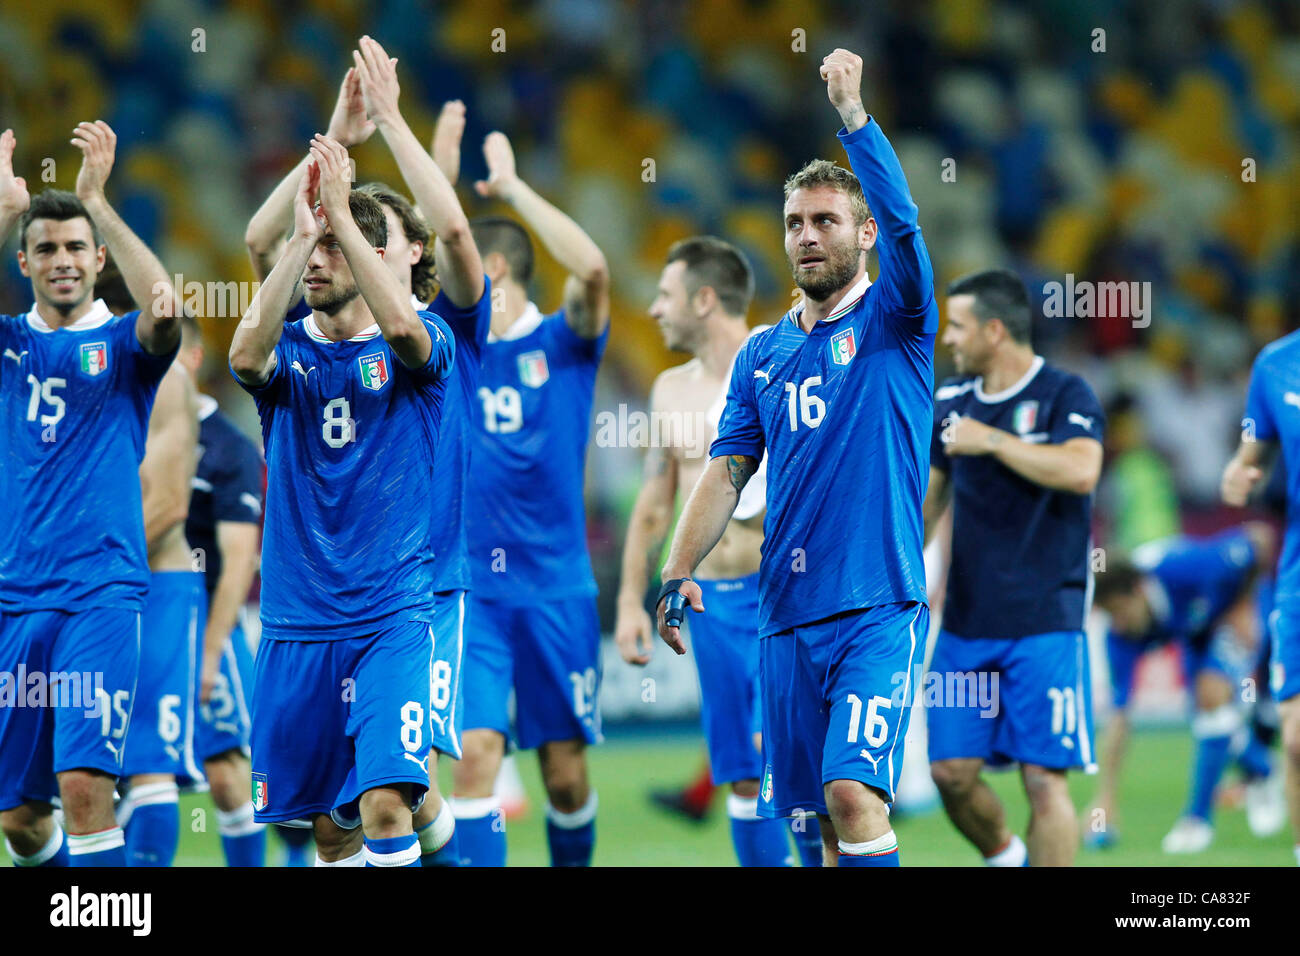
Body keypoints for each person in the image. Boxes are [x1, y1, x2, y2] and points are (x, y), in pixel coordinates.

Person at [657, 49, 936, 867]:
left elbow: (909, 227)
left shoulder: (897, 321)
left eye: (825, 221)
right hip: (784, 612)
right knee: (812, 824)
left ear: (864, 234)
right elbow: (727, 471)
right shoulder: (761, 354)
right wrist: (676, 569)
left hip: (876, 603)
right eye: (794, 223)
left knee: (852, 794)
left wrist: (854, 118)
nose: (807, 236)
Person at [229, 133, 455, 868]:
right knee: (331, 828)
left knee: (385, 802)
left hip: (391, 614)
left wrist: (340, 220)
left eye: (335, 246)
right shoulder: (287, 349)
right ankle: (445, 841)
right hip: (298, 619)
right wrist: (303, 233)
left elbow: (403, 328)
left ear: (370, 255)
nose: (320, 260)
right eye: (316, 247)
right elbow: (243, 358)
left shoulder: (423, 342)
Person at [0, 122, 181, 867]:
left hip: (99, 594)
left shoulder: (125, 346)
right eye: (45, 248)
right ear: (24, 262)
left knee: (83, 786)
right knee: (19, 819)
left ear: (98, 258)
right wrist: (5, 211)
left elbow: (166, 308)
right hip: (15, 598)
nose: (63, 260)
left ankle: (101, 917)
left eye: (77, 247)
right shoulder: (9, 344)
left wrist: (98, 203)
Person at [616, 235, 816, 866]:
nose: (654, 309)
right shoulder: (668, 390)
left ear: (704, 299)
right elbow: (654, 505)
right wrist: (630, 600)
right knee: (741, 775)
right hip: (715, 604)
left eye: (665, 295)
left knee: (791, 761)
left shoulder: (786, 361)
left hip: (786, 596)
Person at [453, 128, 611, 867]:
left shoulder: (561, 341)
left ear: (491, 270)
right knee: (474, 760)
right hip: (473, 593)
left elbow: (593, 268)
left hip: (555, 588)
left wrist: (514, 191)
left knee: (564, 775)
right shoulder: (448, 352)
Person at [922, 269, 1105, 867]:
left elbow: (1081, 471)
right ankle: (1007, 857)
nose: (949, 338)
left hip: (1045, 622)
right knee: (950, 773)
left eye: (958, 326)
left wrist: (994, 442)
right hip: (966, 625)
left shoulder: (1065, 394)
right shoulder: (951, 401)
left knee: (1044, 781)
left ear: (995, 330)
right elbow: (929, 500)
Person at [1089, 526, 1283, 853]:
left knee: (1211, 696)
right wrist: (1105, 797)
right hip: (1197, 632)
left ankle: (1197, 821)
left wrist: (1243, 605)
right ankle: (1262, 769)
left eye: (1119, 611)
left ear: (1138, 589)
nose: (1118, 623)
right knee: (1210, 718)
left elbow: (1259, 539)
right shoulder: (1119, 636)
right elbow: (1119, 717)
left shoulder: (1185, 567)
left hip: (1237, 609)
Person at [175, 316, 267, 867]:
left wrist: (210, 651)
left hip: (206, 614)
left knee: (229, 773)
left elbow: (238, 562)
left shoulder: (227, 446)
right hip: (129, 612)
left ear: (193, 359)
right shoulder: (126, 425)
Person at [117, 355, 204, 866]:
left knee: (151, 764)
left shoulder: (166, 379)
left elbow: (169, 504)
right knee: (59, 781)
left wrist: (90, 569)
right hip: (67, 593)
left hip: (154, 587)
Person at [1221, 331, 1300, 867]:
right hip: (1297, 569)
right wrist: (1238, 469)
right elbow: (1254, 444)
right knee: (1295, 741)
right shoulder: (1275, 364)